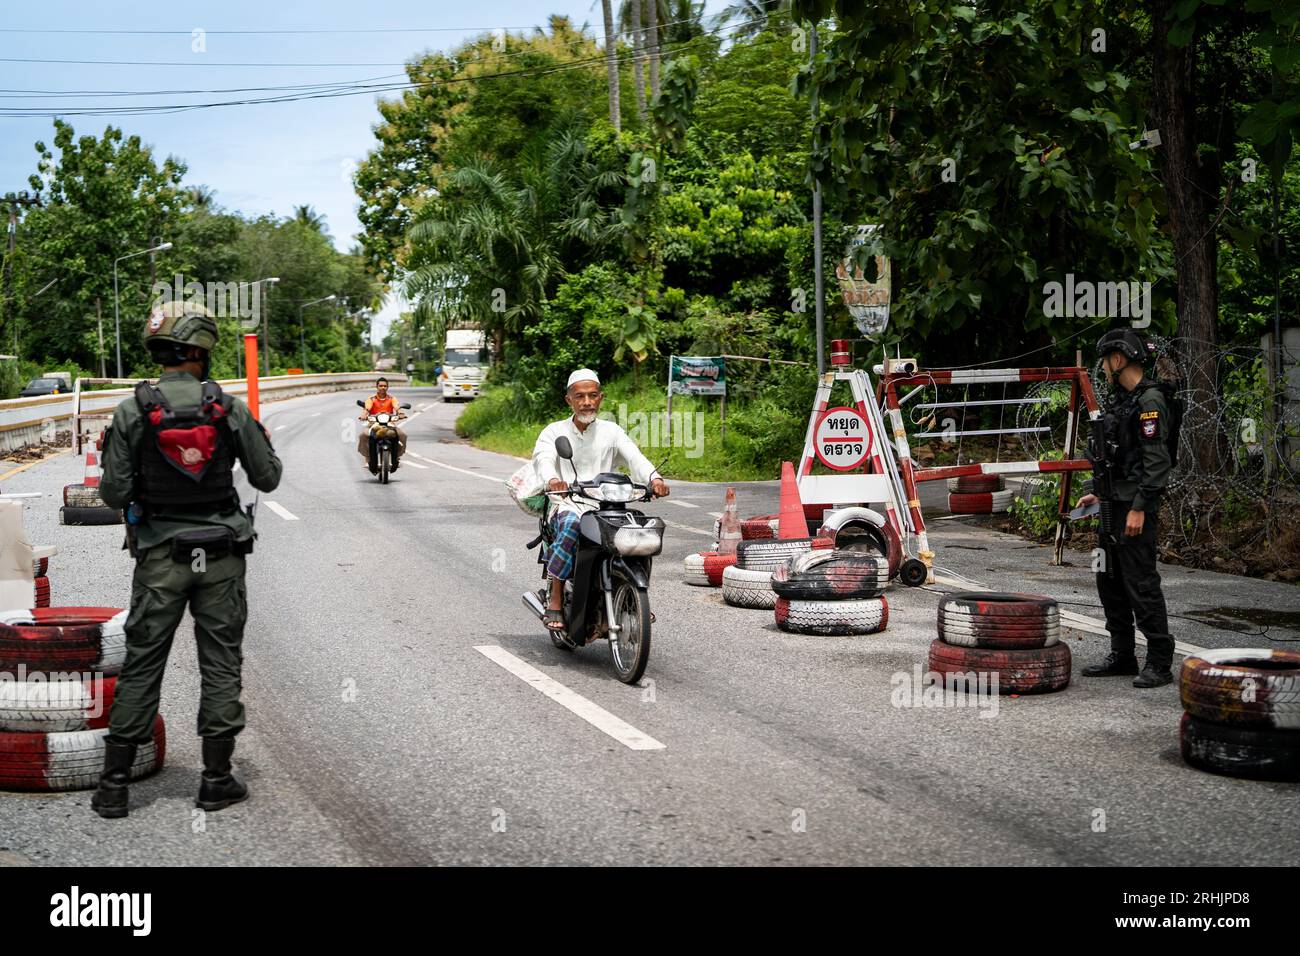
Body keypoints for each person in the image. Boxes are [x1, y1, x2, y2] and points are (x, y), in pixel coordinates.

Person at [92, 300, 282, 819]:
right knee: (221, 663)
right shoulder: (227, 406)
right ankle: (215, 780)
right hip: (219, 557)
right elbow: (268, 478)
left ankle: (113, 787)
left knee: (143, 663)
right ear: (201, 350)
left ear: (161, 350)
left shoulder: (133, 409)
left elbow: (113, 493)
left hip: (159, 559)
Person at [532, 369, 669, 633]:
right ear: (568, 400)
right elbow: (544, 459)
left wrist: (655, 479)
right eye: (580, 396)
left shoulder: (611, 431)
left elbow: (634, 457)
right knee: (572, 525)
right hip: (568, 502)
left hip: (607, 504)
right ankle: (557, 597)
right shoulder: (554, 431)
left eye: (592, 395)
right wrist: (553, 480)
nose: (587, 402)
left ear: (600, 398)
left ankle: (633, 595)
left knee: (638, 529)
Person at [1077, 329, 1175, 689]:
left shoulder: (1150, 401)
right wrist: (1097, 495)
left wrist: (1140, 508)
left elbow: (1156, 462)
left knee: (1141, 582)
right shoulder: (1122, 399)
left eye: (1105, 360)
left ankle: (1160, 660)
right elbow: (1114, 458)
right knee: (1107, 577)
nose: (1102, 367)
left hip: (1133, 510)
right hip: (1110, 507)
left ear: (1118, 359)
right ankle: (1122, 654)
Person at [356, 377, 407, 472]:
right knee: (363, 435)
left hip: (389, 424)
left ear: (387, 387)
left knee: (402, 435)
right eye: (380, 386)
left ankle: (396, 457)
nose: (383, 387)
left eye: (385, 386)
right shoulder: (371, 399)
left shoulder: (392, 398)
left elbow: (397, 406)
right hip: (374, 424)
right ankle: (368, 458)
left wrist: (400, 413)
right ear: (377, 387)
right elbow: (367, 408)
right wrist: (364, 414)